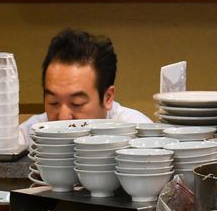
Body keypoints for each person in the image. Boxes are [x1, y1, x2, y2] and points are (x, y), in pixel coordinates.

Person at [17, 26, 154, 137]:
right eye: (53, 102)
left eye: (77, 103)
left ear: (108, 98)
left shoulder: (138, 132)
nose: (63, 118)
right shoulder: (34, 132)